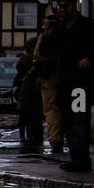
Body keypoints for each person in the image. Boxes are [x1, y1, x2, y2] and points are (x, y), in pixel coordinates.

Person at [51, 0, 94, 172]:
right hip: (65, 83)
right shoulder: (59, 28)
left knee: (79, 121)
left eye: (65, 6)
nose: (62, 10)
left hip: (80, 83)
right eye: (60, 7)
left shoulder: (89, 25)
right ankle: (76, 158)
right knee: (67, 122)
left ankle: (82, 159)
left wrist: (89, 59)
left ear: (74, 6)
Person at [32, 15, 62, 155]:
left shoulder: (44, 39)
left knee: (51, 110)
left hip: (49, 78)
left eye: (45, 25)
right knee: (65, 109)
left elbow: (37, 54)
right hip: (66, 76)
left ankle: (55, 141)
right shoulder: (64, 36)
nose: (43, 27)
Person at [13, 37, 43, 148]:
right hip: (34, 93)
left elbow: (17, 78)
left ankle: (24, 136)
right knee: (35, 116)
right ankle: (34, 136)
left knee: (24, 116)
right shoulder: (35, 61)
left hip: (25, 93)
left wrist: (15, 89)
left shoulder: (24, 62)